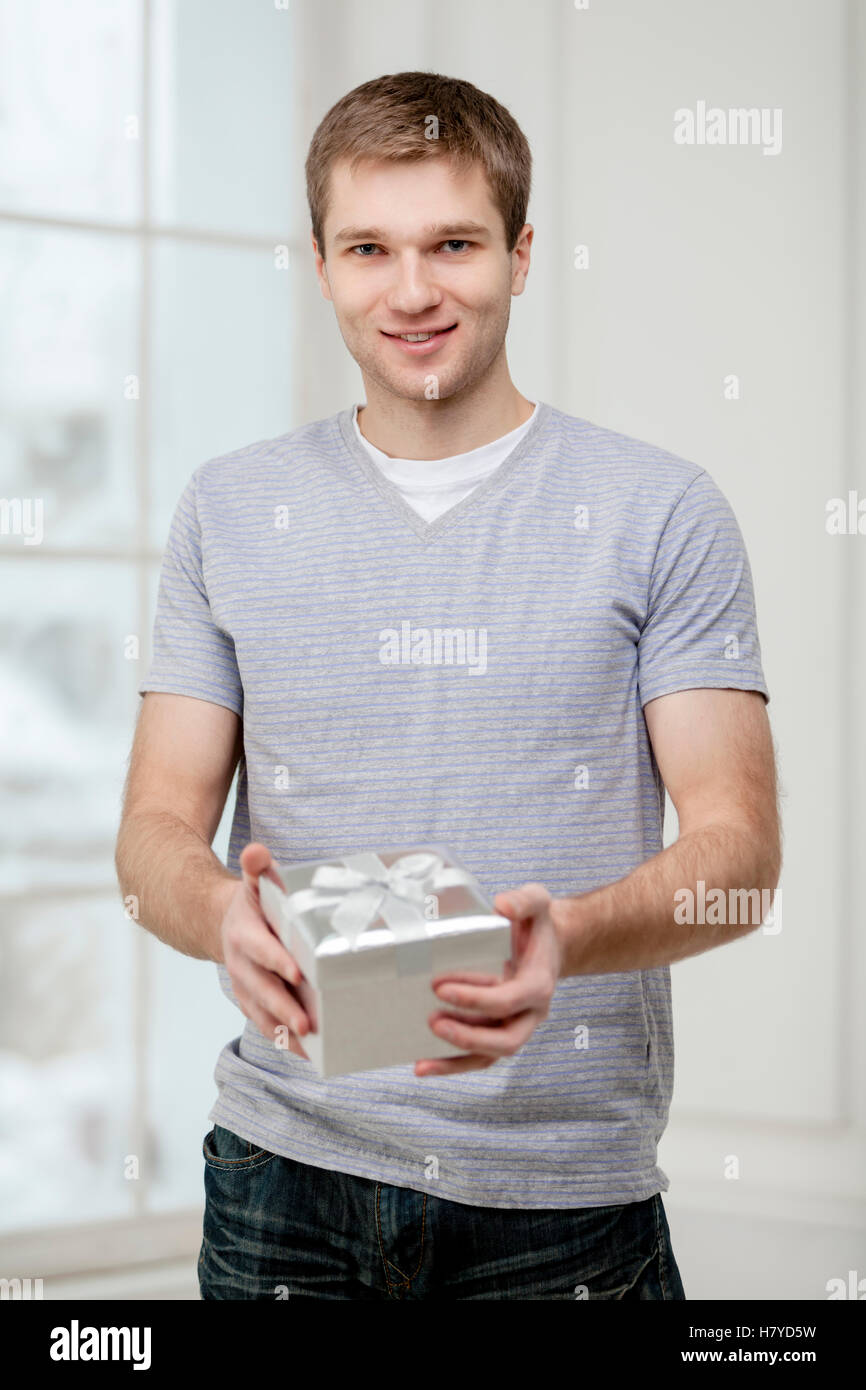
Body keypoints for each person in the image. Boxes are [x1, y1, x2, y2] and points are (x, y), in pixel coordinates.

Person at [115, 70, 780, 1301]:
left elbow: (737, 864)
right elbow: (153, 831)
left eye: (453, 244)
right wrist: (219, 915)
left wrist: (568, 938)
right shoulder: (228, 509)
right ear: (318, 264)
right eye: (368, 247)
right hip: (280, 1179)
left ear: (521, 255)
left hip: (563, 1206)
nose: (411, 290)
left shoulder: (659, 511)